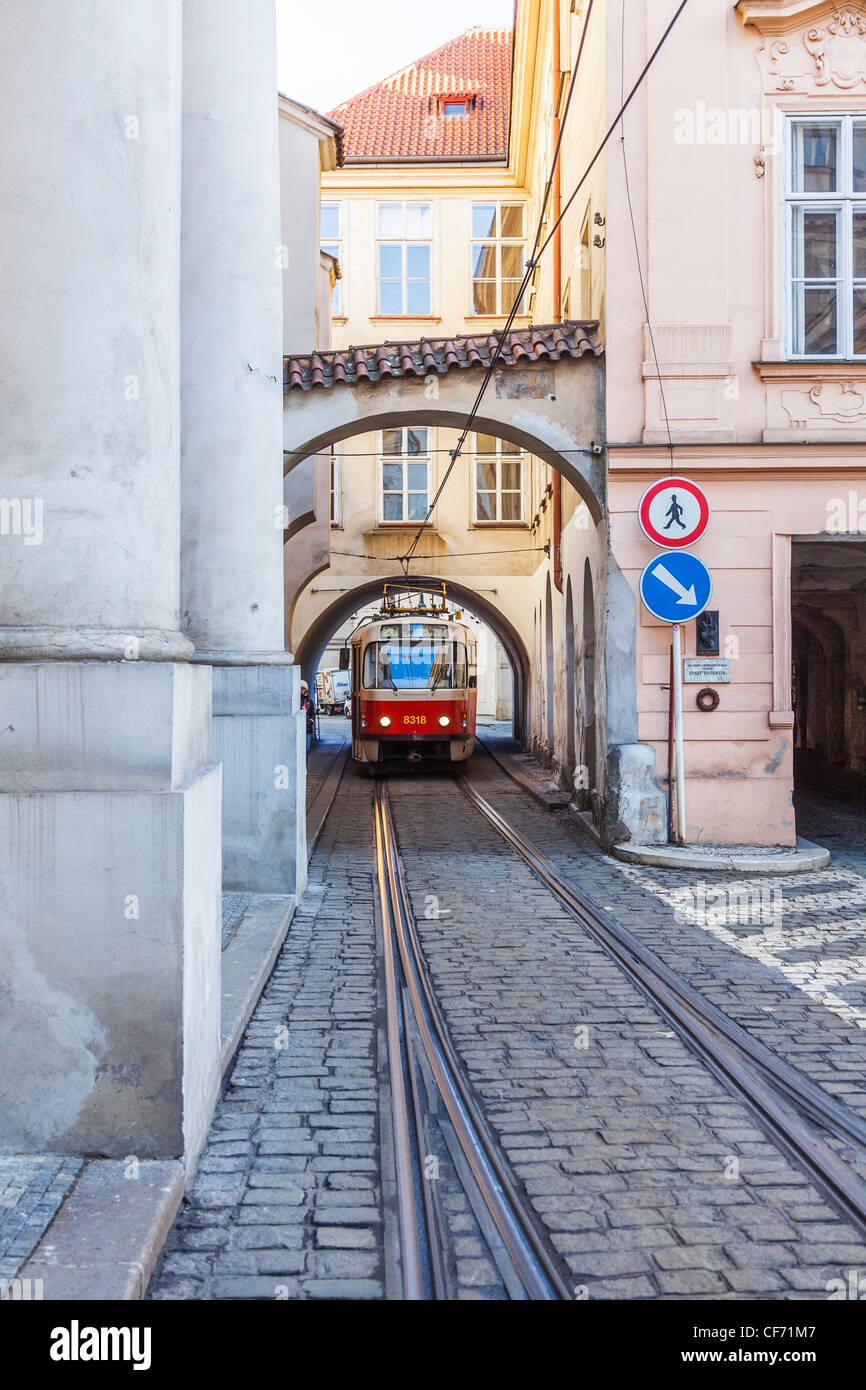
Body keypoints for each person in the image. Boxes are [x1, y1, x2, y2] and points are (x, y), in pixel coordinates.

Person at [300, 679, 316, 749]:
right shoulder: (296, 700)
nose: (301, 690)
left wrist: (311, 721)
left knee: (306, 748)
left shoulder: (309, 701)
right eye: (300, 688)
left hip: (307, 729)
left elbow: (312, 713)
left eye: (303, 688)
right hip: (299, 728)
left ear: (306, 690)